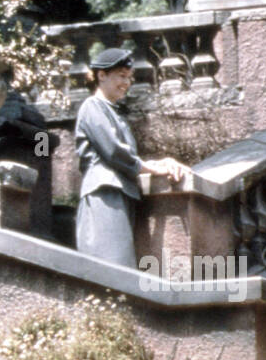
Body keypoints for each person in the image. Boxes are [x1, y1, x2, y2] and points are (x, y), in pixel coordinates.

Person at [74, 47, 189, 267]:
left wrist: (159, 163)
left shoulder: (112, 111)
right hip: (105, 192)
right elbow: (114, 152)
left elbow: (125, 155)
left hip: (119, 191)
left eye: (129, 78)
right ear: (102, 75)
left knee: (122, 266)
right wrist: (152, 168)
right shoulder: (92, 106)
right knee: (111, 267)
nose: (126, 83)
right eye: (121, 76)